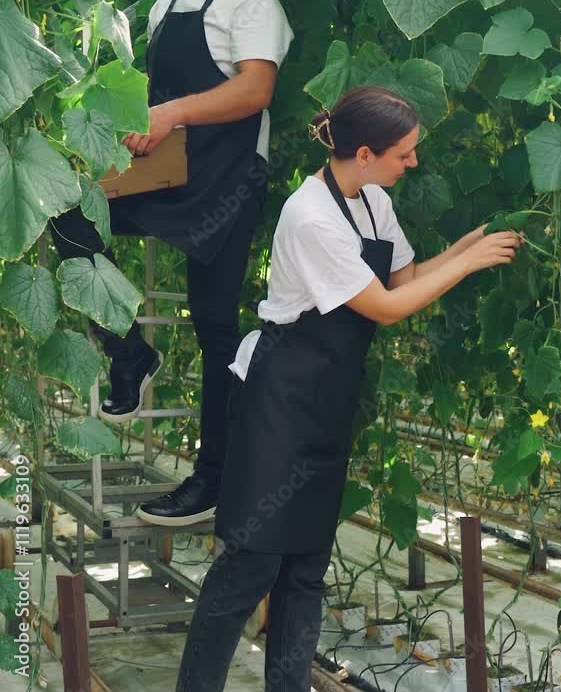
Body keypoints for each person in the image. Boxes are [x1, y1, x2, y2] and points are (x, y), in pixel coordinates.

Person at [175, 85, 524, 692]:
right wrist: (468, 263)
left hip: (326, 399)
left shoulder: (369, 201)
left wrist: (472, 244)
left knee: (306, 568)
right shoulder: (310, 215)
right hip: (278, 401)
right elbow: (387, 306)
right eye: (404, 154)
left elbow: (407, 276)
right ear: (364, 153)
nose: (412, 163)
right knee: (249, 565)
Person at [50, 0, 293, 527]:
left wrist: (170, 113)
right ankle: (129, 348)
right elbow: (147, 96)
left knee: (216, 327)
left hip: (228, 177)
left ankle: (211, 479)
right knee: (66, 213)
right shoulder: (163, 4)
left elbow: (256, 90)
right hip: (164, 168)